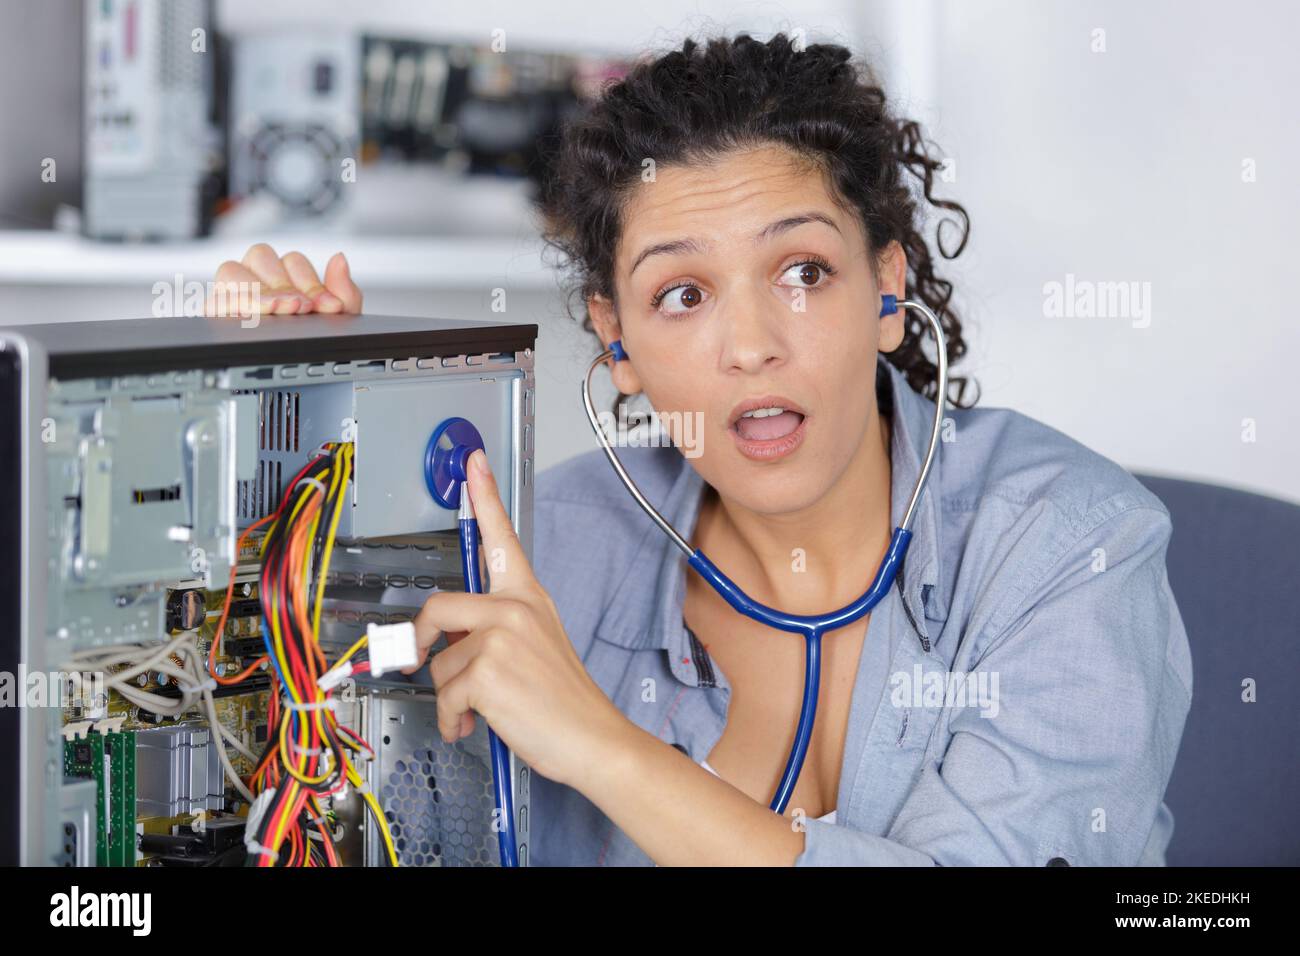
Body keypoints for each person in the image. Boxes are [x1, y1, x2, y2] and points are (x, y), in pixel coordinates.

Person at [206, 33, 1192, 866]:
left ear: (887, 291)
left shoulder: (1067, 544)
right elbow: (334, 787)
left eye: (802, 270)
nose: (751, 344)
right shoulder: (543, 555)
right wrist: (287, 412)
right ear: (618, 342)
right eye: (683, 293)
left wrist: (604, 747)